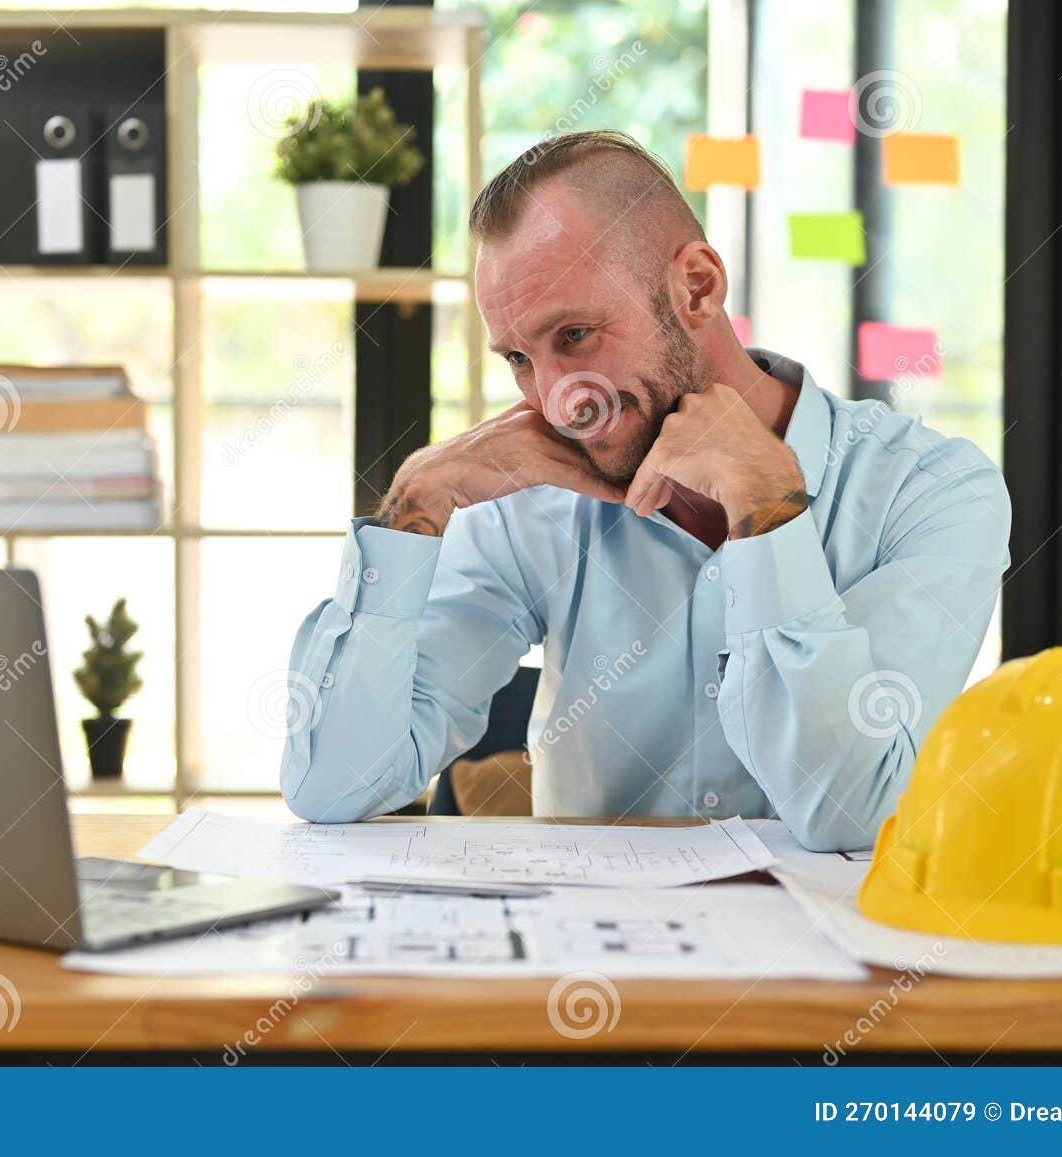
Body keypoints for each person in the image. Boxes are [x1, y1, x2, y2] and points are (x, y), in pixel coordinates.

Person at [279, 130, 1010, 851]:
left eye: (575, 335)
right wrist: (413, 504)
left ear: (697, 287)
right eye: (518, 358)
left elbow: (848, 811)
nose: (558, 400)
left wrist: (768, 509)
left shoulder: (933, 494)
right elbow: (334, 786)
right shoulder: (534, 503)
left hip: (834, 965)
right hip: (589, 962)